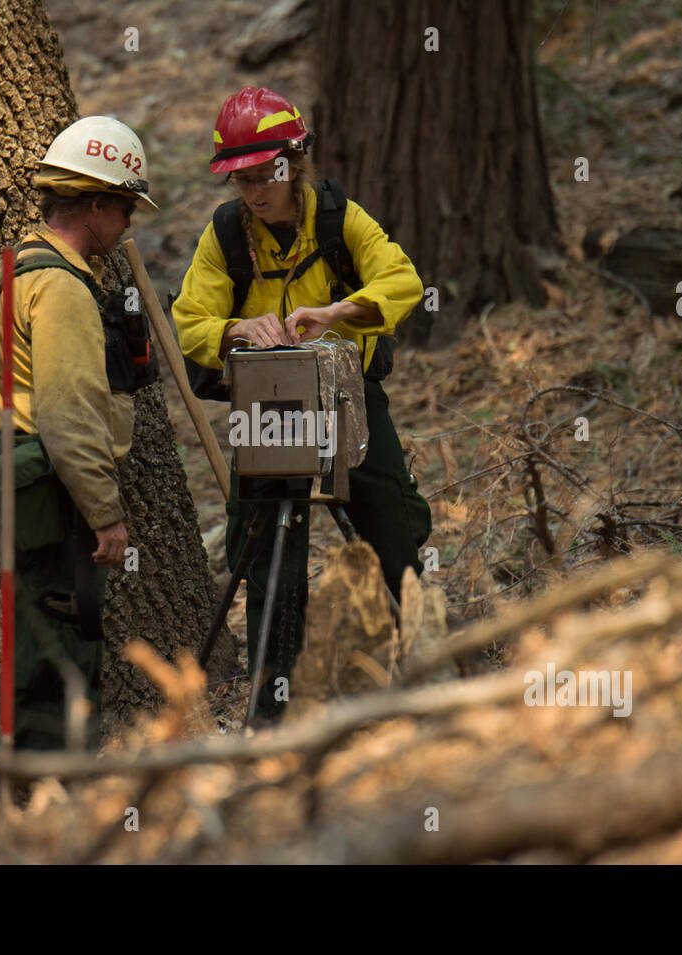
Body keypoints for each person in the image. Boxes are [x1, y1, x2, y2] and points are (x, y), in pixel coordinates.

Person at [173, 87, 432, 723]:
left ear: (296, 162)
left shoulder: (342, 219)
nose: (256, 191)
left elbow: (403, 281)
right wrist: (240, 329)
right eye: (242, 179)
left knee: (393, 526)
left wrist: (338, 312)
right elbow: (189, 320)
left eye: (267, 174)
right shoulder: (227, 234)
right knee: (265, 552)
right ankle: (273, 708)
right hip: (270, 406)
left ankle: (417, 678)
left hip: (351, 398)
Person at [0, 115, 157, 750]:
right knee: (62, 653)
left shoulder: (17, 266)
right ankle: (55, 802)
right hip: (55, 498)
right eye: (127, 206)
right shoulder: (62, 287)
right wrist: (105, 513)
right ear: (98, 204)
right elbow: (68, 412)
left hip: (26, 489)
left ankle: (33, 795)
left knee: (35, 649)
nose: (130, 221)